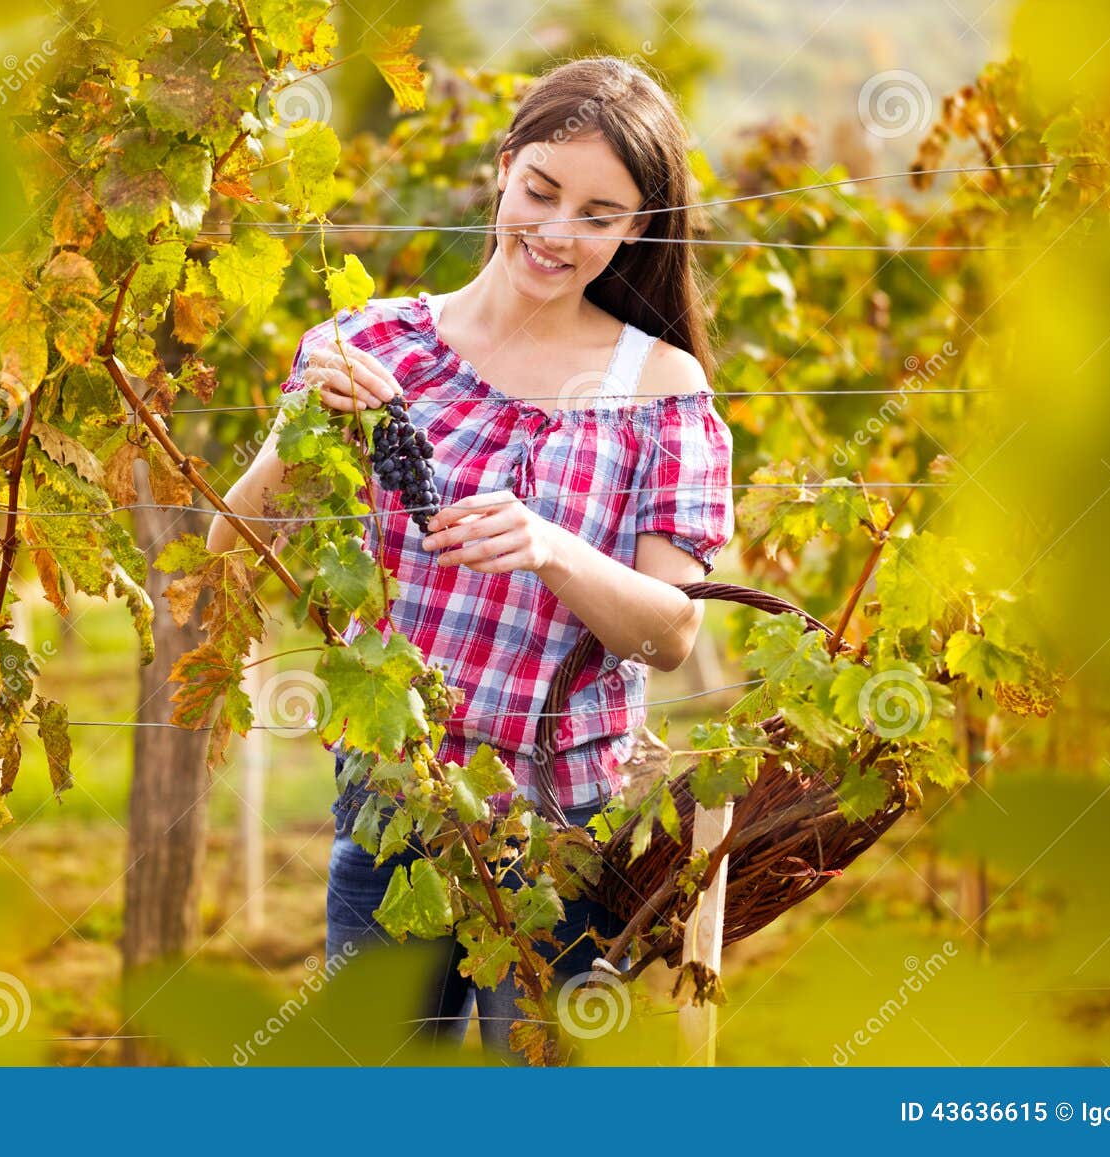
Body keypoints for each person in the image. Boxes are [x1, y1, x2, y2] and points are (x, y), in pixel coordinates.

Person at [206, 54, 735, 1058]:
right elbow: (227, 552)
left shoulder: (661, 388)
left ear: (637, 229)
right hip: (391, 806)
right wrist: (296, 436)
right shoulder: (371, 346)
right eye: (541, 191)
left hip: (563, 832)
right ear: (502, 168)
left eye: (598, 214)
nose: (556, 232)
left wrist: (550, 548)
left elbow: (670, 631)